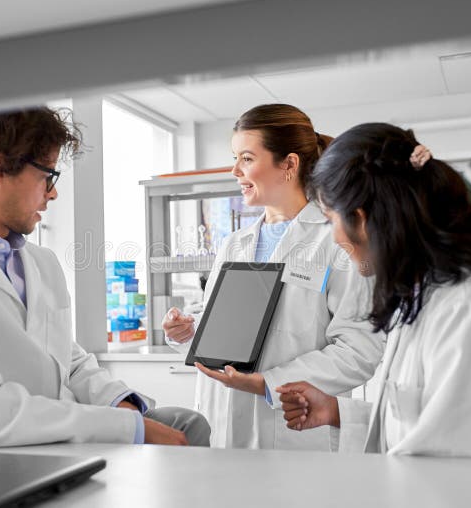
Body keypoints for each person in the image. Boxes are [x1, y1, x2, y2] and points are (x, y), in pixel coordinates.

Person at [0, 107, 210, 448]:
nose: (52, 193)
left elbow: (66, 360)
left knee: (187, 424)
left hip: (53, 442)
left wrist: (121, 406)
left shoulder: (40, 262)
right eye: (46, 176)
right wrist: (126, 428)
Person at [276, 123, 471, 457]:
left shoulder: (468, 310)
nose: (334, 238)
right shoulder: (428, 294)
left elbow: (452, 466)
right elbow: (425, 420)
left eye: (331, 219)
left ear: (361, 219)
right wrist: (337, 412)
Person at [164, 104, 384, 450]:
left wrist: (269, 382)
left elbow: (359, 350)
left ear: (289, 164)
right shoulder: (234, 244)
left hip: (292, 431)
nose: (235, 170)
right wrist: (189, 332)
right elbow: (224, 330)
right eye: (235, 158)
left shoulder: (336, 240)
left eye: (247, 158)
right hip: (222, 424)